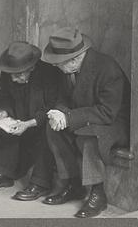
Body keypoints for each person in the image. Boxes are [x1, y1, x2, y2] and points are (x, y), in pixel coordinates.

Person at [41, 26, 131, 218]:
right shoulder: (68, 69)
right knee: (53, 130)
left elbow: (107, 113)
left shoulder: (107, 69)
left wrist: (69, 118)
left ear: (74, 59)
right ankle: (73, 184)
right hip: (87, 117)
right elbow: (63, 97)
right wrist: (59, 112)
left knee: (89, 137)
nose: (56, 67)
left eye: (59, 63)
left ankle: (98, 194)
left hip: (114, 124)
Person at [0, 40, 64, 200]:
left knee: (48, 133)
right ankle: (3, 173)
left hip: (45, 121)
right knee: (7, 125)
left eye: (18, 75)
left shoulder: (51, 74)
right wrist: (2, 112)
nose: (14, 79)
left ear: (30, 68)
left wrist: (28, 124)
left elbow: (54, 109)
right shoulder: (9, 73)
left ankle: (40, 184)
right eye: (12, 75)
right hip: (22, 118)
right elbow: (5, 97)